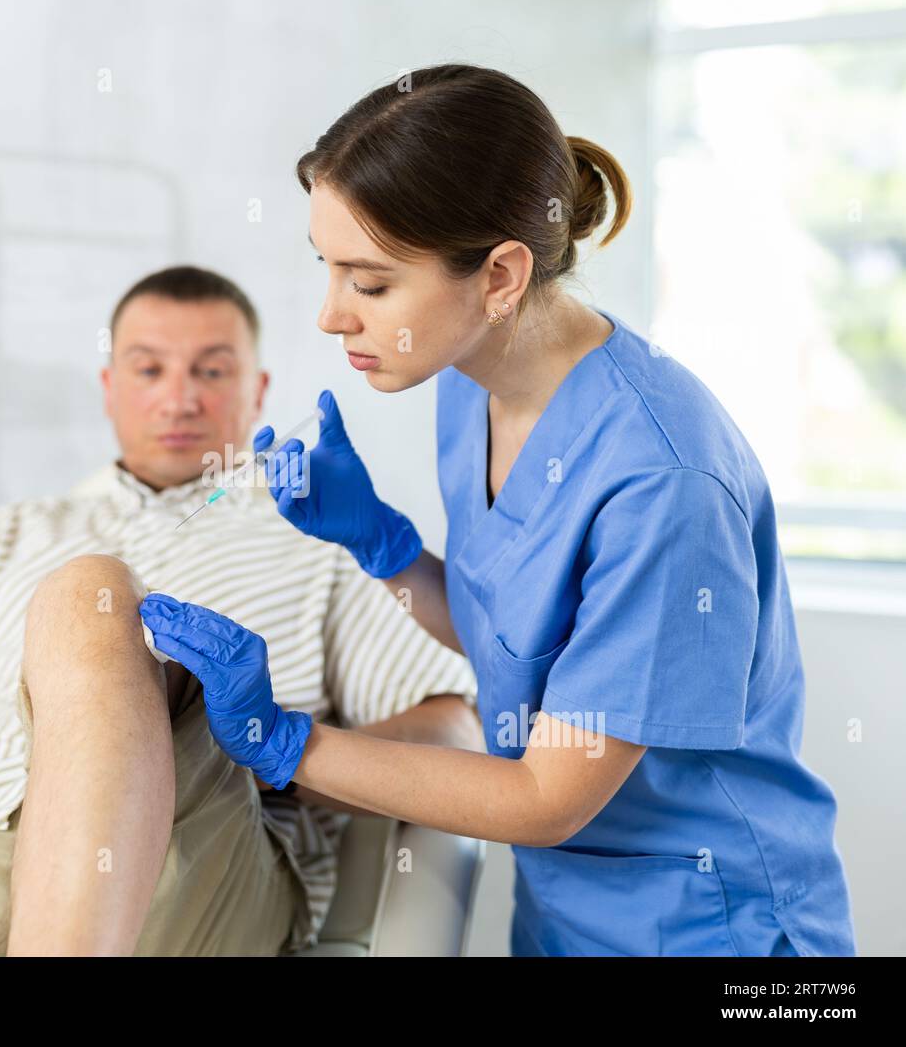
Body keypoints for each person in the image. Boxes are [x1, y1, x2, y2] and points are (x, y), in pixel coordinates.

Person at [140, 65, 856, 957]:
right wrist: (385, 547)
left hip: (722, 931)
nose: (331, 316)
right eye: (327, 270)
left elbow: (548, 797)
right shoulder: (472, 390)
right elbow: (517, 641)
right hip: (570, 914)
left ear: (501, 274)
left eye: (369, 283)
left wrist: (288, 744)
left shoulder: (664, 484)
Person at [0, 265, 478, 957]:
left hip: (192, 865)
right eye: (149, 369)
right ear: (109, 386)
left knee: (89, 595)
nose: (179, 396)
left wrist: (283, 746)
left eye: (212, 369)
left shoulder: (320, 532)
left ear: (258, 390)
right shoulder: (4, 536)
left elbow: (453, 727)